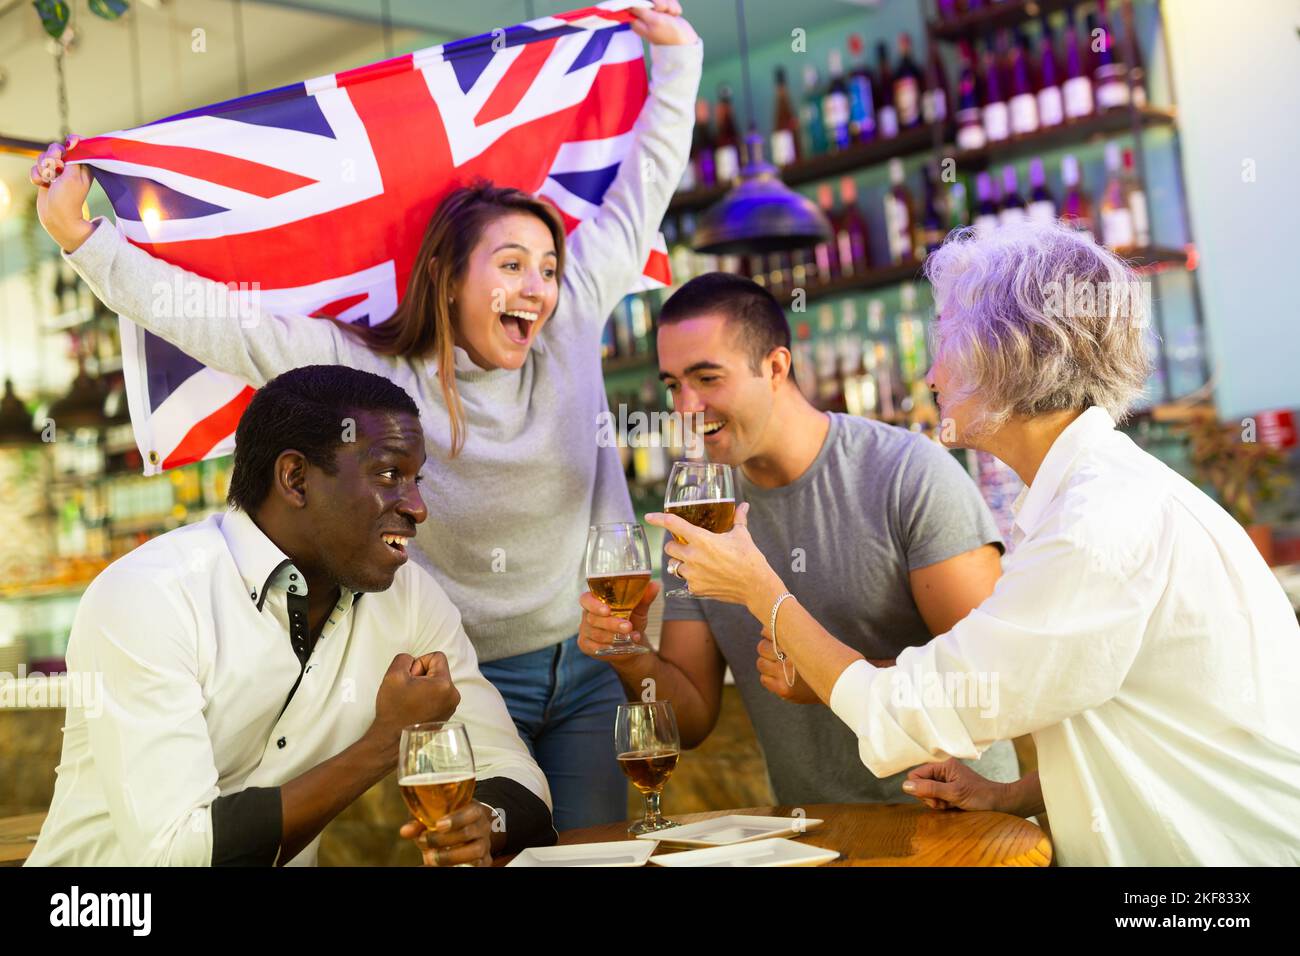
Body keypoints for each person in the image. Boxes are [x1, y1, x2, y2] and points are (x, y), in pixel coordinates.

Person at [30, 1, 702, 831]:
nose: (538, 285)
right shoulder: (372, 382)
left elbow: (646, 186)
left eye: (550, 267)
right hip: (468, 679)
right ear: (451, 278)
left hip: (593, 662)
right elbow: (221, 322)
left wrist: (677, 55)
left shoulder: (567, 320)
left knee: (598, 854)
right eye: (512, 263)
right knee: (488, 848)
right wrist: (83, 239)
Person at [651, 220, 1300, 865]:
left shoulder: (1093, 526)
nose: (932, 371)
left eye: (946, 341)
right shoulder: (1093, 496)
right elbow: (1141, 720)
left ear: (1009, 353)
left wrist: (759, 588)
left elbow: (909, 710)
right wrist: (1013, 795)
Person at [27, 366, 553, 867]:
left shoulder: (410, 597)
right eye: (390, 474)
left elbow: (520, 779)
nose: (417, 507)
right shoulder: (150, 596)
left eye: (416, 480)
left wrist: (482, 821)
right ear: (296, 478)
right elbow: (178, 854)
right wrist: (385, 743)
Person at [578, 271, 1019, 806]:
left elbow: (992, 684)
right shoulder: (702, 517)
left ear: (776, 367)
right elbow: (689, 720)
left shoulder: (909, 474)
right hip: (809, 836)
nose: (686, 408)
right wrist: (629, 653)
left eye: (708, 379)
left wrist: (829, 675)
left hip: (953, 828)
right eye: (673, 385)